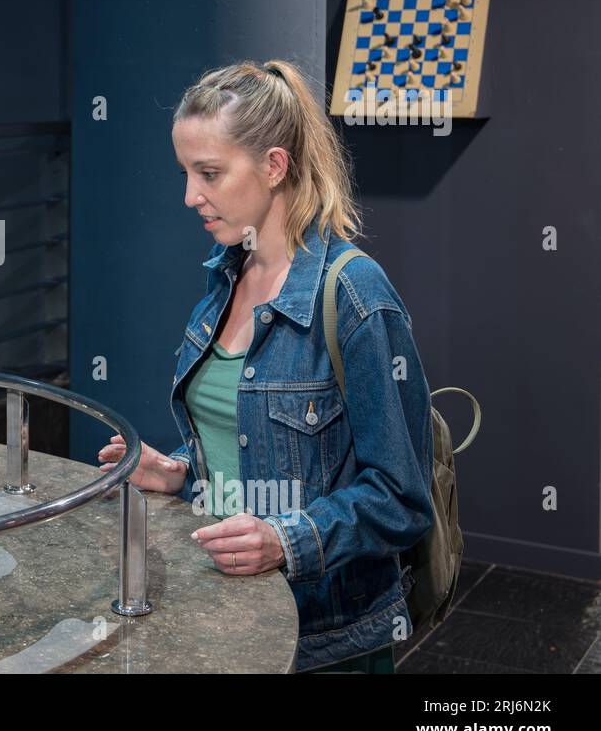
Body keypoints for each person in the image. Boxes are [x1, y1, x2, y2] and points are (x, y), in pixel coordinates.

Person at [98, 59, 435, 673]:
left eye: (209, 174)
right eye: (186, 173)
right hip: (228, 616)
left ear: (275, 166)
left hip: (323, 641)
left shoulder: (355, 294)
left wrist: (287, 539)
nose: (190, 196)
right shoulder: (224, 275)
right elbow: (255, 444)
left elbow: (401, 500)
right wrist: (178, 472)